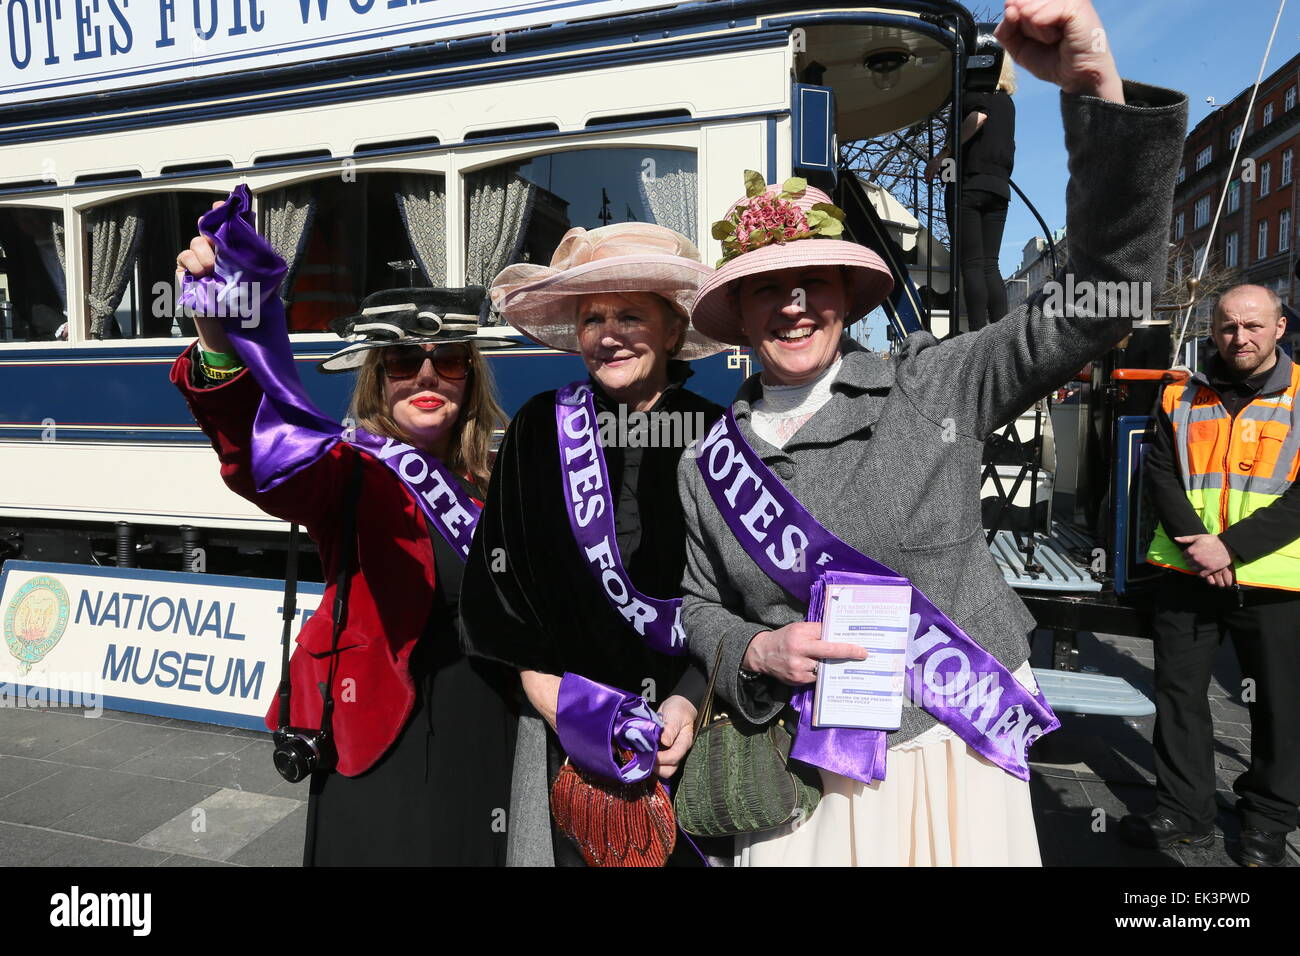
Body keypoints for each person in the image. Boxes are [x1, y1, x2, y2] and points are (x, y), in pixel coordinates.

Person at [676, 0, 1187, 866]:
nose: (795, 303)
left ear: (846, 295)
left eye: (815, 280)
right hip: (804, 773)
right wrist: (756, 647)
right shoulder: (706, 461)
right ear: (739, 312)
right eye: (769, 287)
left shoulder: (933, 380)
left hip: (953, 744)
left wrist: (1094, 86)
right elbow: (696, 606)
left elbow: (1110, 290)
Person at [170, 192, 518, 866]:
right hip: (374, 723)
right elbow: (255, 456)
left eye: (447, 360)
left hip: (487, 723)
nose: (426, 376)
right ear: (376, 378)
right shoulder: (344, 467)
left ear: (470, 380)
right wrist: (217, 339)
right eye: (400, 362)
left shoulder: (498, 478)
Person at [460, 222, 726, 866]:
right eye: (591, 319)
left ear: (671, 329)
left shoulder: (715, 431)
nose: (608, 335)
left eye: (630, 315)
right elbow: (498, 584)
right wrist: (556, 702)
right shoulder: (536, 427)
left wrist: (690, 699)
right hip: (562, 724)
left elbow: (734, 587)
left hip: (682, 727)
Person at [1123, 284, 1300, 867]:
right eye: (1227, 326)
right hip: (1186, 570)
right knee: (1178, 696)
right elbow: (1161, 473)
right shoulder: (1181, 394)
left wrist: (1229, 549)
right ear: (1212, 329)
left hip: (1273, 578)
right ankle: (1183, 809)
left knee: (1279, 703)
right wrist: (1202, 549)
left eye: (1253, 326)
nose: (1239, 337)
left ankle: (1269, 819)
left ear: (1279, 328)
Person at [926, 50, 1017, 333]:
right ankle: (1000, 334)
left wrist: (945, 152)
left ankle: (978, 333)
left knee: (972, 265)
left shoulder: (977, 92)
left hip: (970, 184)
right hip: (999, 188)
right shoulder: (1008, 102)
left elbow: (978, 117)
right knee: (991, 265)